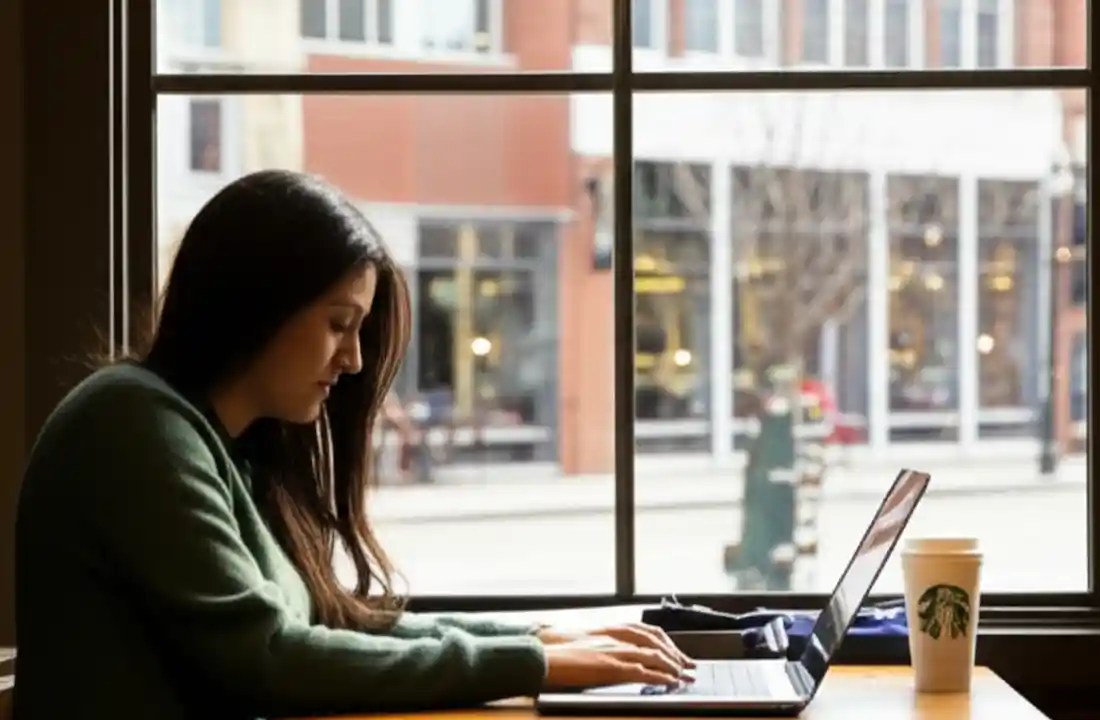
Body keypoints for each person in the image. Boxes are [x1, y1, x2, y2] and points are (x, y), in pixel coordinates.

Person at [14, 170, 693, 719]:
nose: (355, 361)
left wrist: (534, 639)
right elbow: (272, 657)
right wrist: (531, 662)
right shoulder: (133, 428)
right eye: (341, 324)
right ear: (259, 305)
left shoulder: (225, 447)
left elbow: (332, 626)